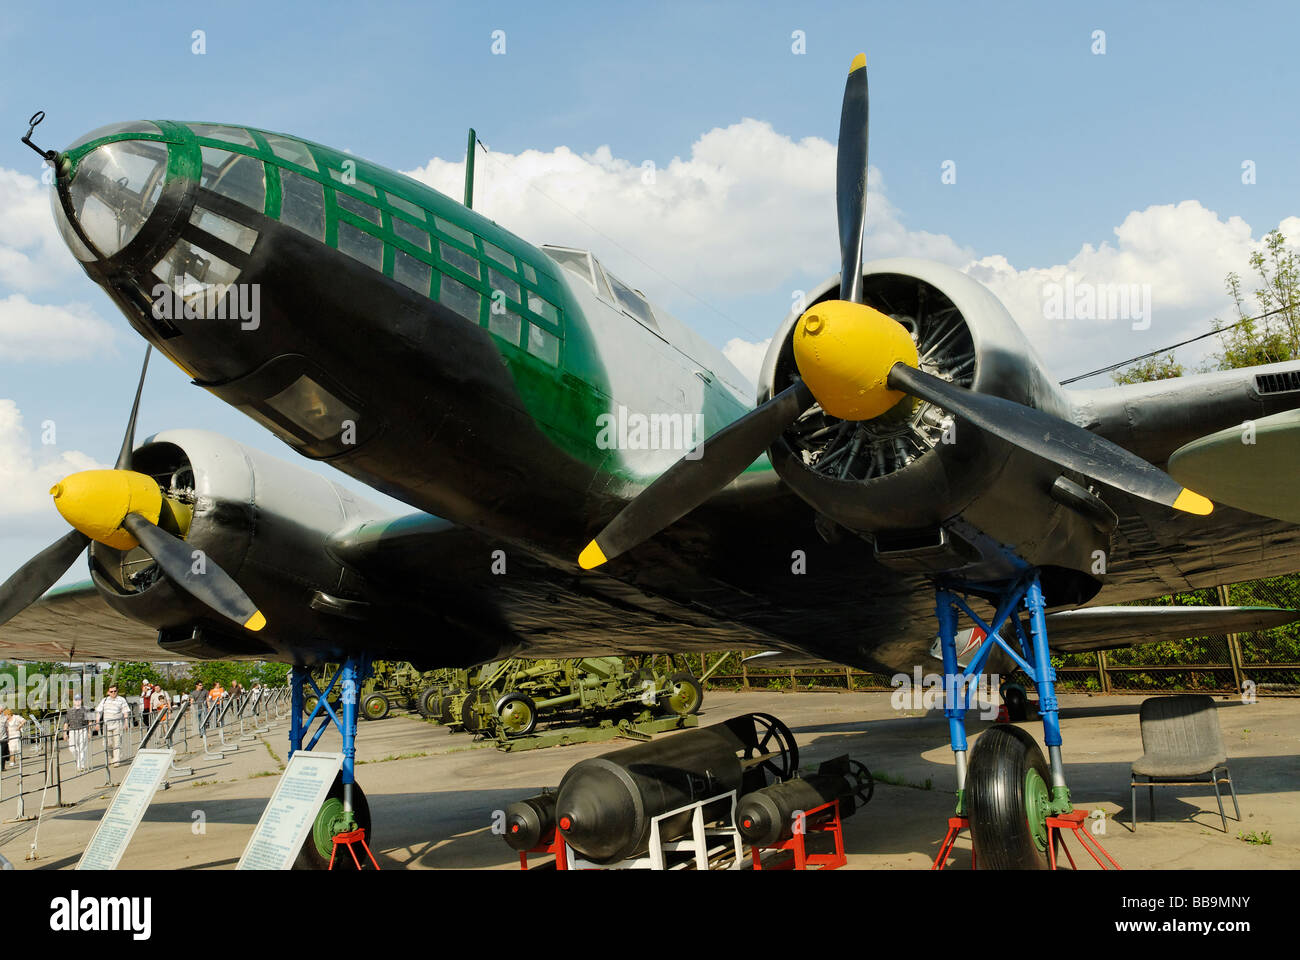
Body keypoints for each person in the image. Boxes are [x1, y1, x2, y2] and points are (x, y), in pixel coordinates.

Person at [95, 684, 131, 765]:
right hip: (107, 725)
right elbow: (99, 712)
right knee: (107, 744)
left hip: (118, 724)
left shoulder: (121, 700)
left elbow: (125, 711)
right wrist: (97, 723)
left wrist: (126, 722)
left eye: (115, 691)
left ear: (117, 691)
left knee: (117, 742)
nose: (113, 693)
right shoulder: (104, 700)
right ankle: (111, 757)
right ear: (108, 692)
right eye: (111, 691)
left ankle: (116, 760)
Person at [64, 694, 90, 771]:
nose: (77, 701)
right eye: (76, 700)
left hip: (83, 729)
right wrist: (65, 733)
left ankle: (81, 766)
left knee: (82, 748)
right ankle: (78, 760)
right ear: (73, 701)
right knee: (72, 748)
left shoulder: (86, 709)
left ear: (81, 700)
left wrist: (89, 732)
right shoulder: (69, 710)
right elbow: (66, 722)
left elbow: (90, 722)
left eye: (79, 699)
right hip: (72, 731)